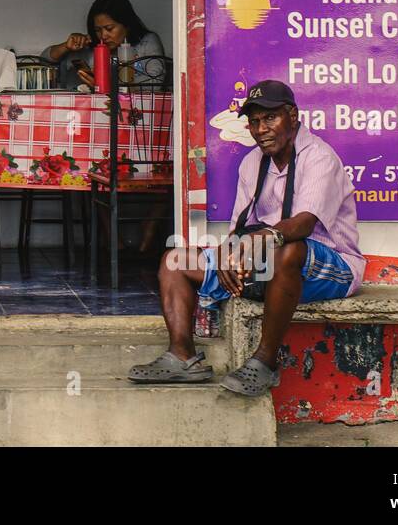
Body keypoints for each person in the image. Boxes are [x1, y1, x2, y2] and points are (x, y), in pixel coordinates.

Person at [127, 80, 365, 397]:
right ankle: (182, 356)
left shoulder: (319, 158)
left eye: (270, 118)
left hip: (331, 266)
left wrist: (263, 239)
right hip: (267, 258)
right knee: (175, 260)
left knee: (287, 249)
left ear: (292, 116)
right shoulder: (253, 162)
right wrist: (229, 253)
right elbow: (240, 228)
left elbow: (304, 224)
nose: (261, 129)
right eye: (254, 122)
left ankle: (264, 362)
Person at [42, 0, 165, 92]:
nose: (103, 35)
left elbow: (155, 82)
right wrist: (66, 46)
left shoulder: (146, 42)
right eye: (97, 30)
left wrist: (107, 84)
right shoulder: (91, 49)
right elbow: (44, 60)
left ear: (127, 24)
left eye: (109, 28)